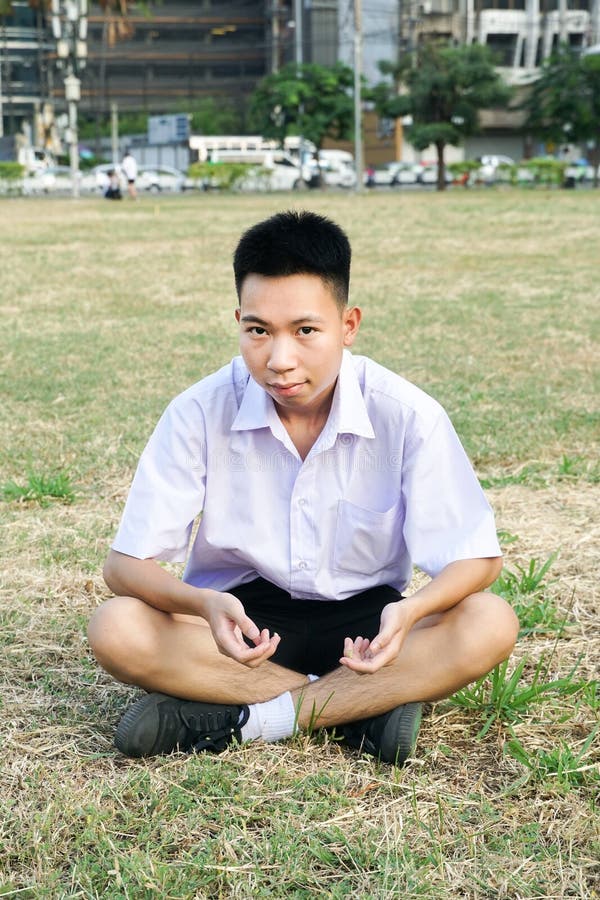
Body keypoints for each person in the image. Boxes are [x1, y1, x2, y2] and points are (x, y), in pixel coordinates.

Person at [88, 211, 519, 765]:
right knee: (117, 627)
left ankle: (245, 719)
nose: (279, 360)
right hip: (240, 624)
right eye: (258, 331)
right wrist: (201, 602)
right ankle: (360, 712)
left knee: (490, 621)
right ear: (238, 321)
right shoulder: (198, 411)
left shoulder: (407, 414)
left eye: (306, 330)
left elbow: (476, 560)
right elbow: (124, 566)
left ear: (349, 324)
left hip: (367, 624)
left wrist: (411, 613)